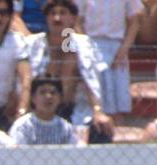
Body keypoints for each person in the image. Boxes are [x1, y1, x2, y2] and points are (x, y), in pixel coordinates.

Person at [25, 0, 112, 139]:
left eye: (62, 13)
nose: (57, 18)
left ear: (73, 18)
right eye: (52, 13)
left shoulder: (83, 45)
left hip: (74, 109)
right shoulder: (33, 44)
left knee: (101, 129)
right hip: (40, 109)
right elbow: (25, 83)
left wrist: (98, 111)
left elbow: (92, 82)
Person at [79, 0, 141, 122]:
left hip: (117, 47)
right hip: (90, 44)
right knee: (94, 100)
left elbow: (135, 21)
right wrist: (85, 47)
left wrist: (123, 50)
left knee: (117, 106)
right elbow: (77, 22)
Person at [7, 72, 81, 140]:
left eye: (53, 92)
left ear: (60, 99)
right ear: (33, 98)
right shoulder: (23, 126)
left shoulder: (65, 127)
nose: (48, 96)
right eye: (42, 92)